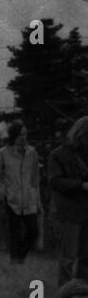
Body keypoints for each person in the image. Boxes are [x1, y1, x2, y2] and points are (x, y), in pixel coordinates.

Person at [0, 121, 42, 265]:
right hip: (12, 199)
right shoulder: (4, 153)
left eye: (25, 134)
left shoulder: (32, 153)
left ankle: (20, 257)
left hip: (29, 200)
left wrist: (38, 201)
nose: (23, 137)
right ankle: (15, 263)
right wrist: (3, 193)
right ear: (13, 136)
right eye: (20, 134)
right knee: (15, 233)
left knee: (33, 232)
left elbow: (35, 179)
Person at [49, 117, 88, 284]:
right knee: (68, 259)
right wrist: (81, 185)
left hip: (86, 213)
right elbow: (54, 181)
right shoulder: (59, 154)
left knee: (86, 259)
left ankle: (82, 297)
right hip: (69, 213)